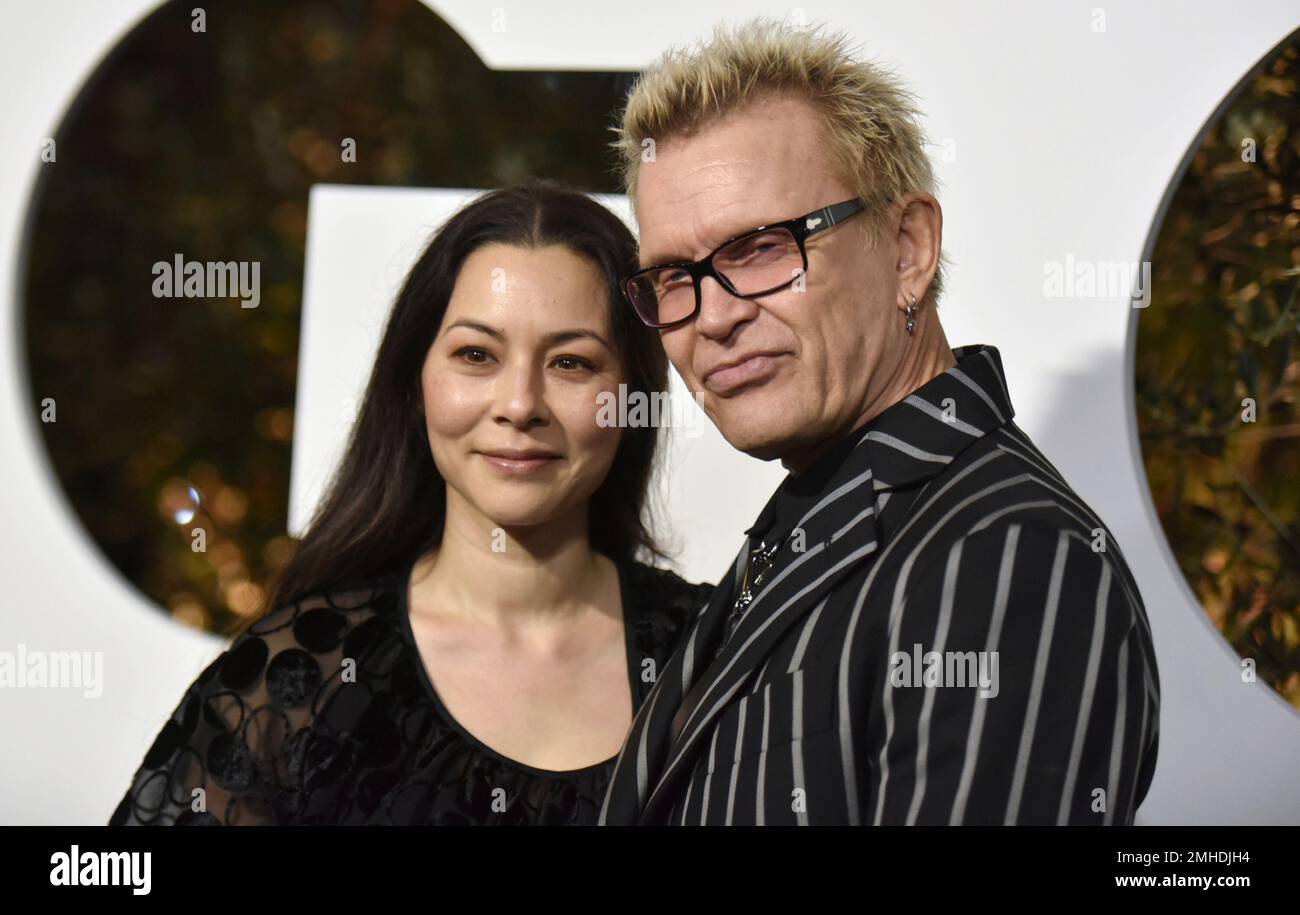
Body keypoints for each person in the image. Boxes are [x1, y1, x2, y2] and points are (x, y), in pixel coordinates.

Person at [599, 18, 1161, 825]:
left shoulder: (1005, 555)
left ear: (908, 249)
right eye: (673, 277)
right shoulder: (831, 510)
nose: (712, 317)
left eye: (760, 248)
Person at [109, 179, 713, 825]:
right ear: (415, 380)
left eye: (571, 363)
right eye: (476, 354)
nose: (518, 404)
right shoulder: (298, 678)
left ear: (633, 397)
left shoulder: (715, 658)